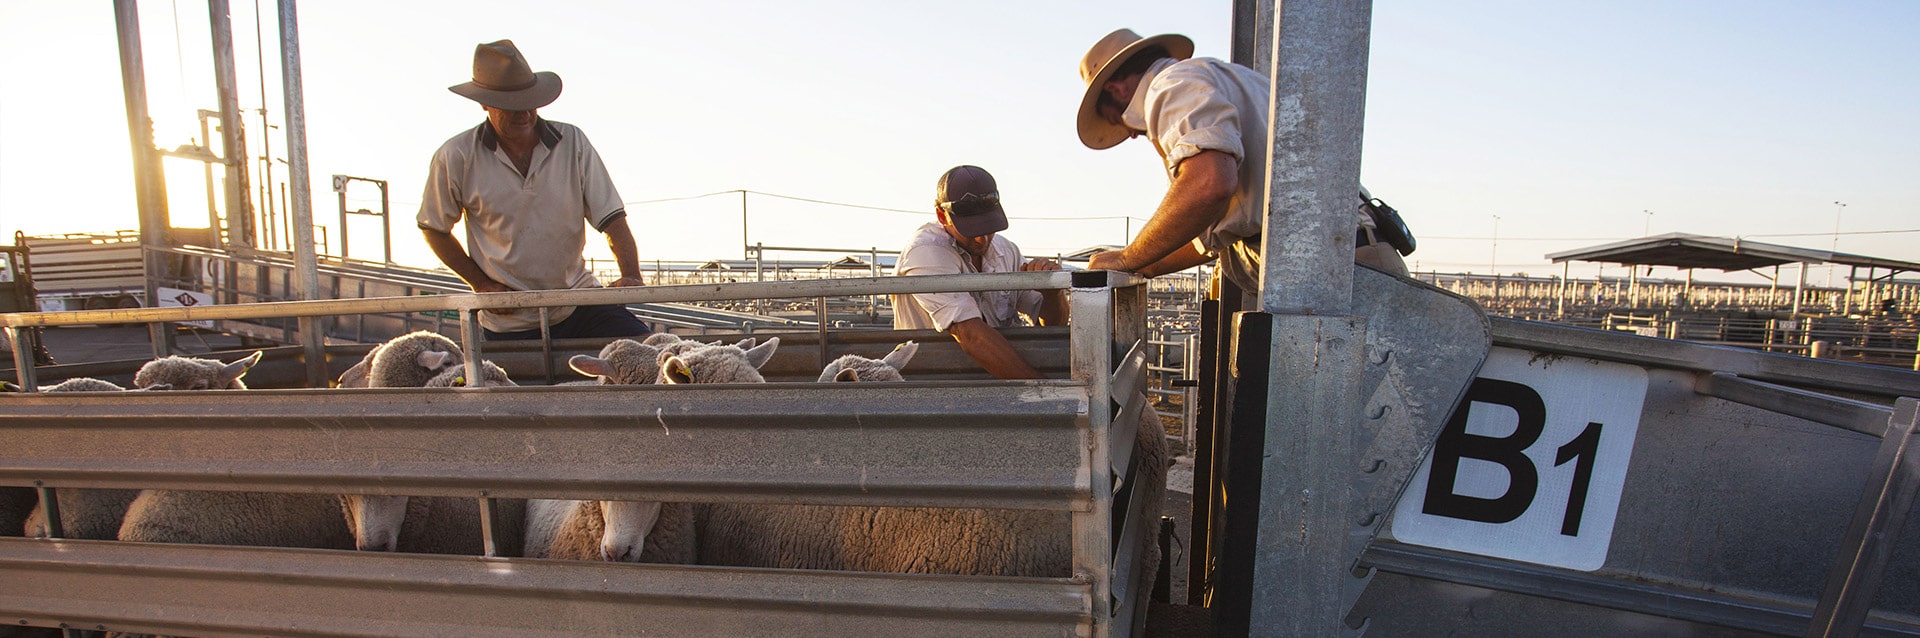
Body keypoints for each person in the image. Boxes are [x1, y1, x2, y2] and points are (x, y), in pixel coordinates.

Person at [1074, 29, 1408, 292]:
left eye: (1119, 122)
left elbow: (1209, 185)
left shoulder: (1170, 87)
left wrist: (1128, 257)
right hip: (1341, 261)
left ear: (1117, 90)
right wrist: (1141, 263)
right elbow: (1209, 229)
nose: (1133, 134)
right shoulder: (1225, 79)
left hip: (1332, 275)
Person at [417, 39, 651, 340]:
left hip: (577, 299)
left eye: (530, 103)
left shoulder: (572, 142)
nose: (524, 114)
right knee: (521, 384)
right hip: (511, 315)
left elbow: (612, 218)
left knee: (648, 355)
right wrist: (480, 283)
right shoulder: (457, 156)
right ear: (484, 103)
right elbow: (433, 227)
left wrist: (631, 274)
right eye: (512, 106)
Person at [892, 166, 1068, 380]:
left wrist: (1052, 293)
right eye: (970, 229)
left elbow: (1053, 328)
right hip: (934, 387)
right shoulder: (925, 252)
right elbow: (969, 335)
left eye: (988, 226)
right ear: (942, 215)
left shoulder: (1006, 251)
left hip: (1002, 379)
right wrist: (1045, 394)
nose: (981, 239)